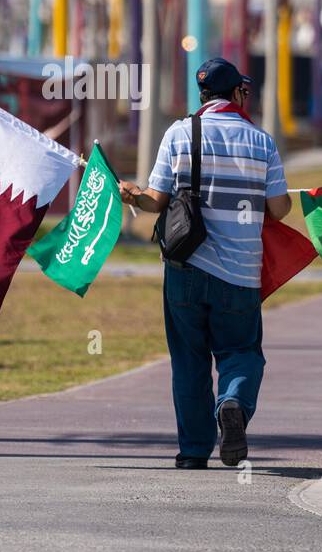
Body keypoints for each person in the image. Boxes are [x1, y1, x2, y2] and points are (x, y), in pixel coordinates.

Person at [119, 57, 291, 470]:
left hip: (185, 269)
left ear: (203, 96)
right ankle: (231, 401)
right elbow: (280, 209)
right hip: (240, 274)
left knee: (188, 359)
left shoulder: (179, 133)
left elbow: (155, 201)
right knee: (242, 351)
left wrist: (132, 194)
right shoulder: (261, 141)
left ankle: (194, 451)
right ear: (236, 94)